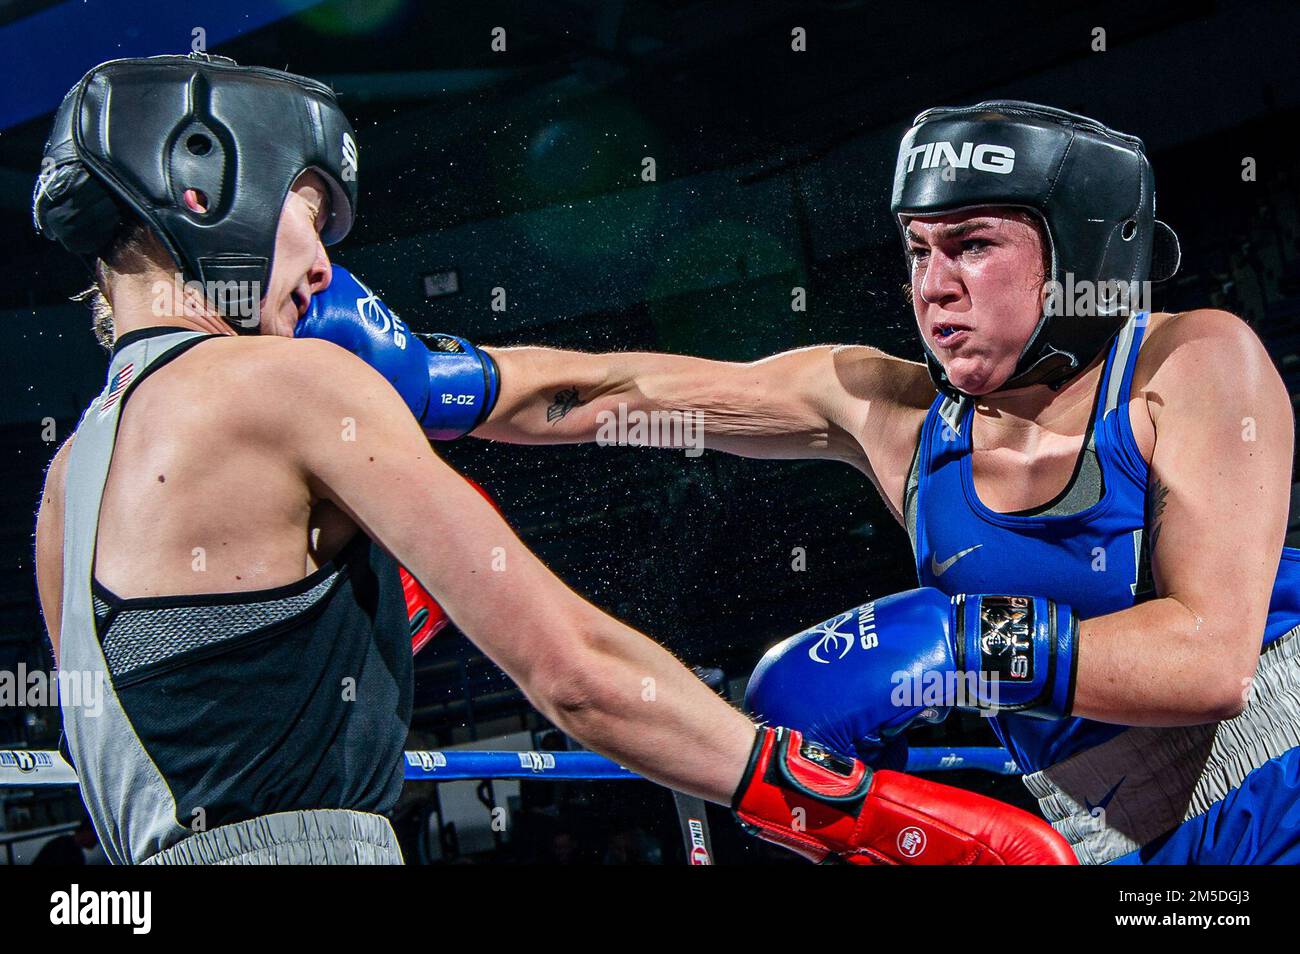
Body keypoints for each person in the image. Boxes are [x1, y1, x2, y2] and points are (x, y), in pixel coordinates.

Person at [31, 55, 1072, 865]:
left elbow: (213, 709)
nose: (321, 271)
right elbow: (576, 675)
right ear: (211, 186)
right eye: (308, 220)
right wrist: (854, 809)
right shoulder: (291, 386)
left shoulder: (69, 481)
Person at [313, 102, 1300, 864]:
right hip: (1104, 836)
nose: (932, 285)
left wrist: (955, 642)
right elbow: (624, 390)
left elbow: (1209, 657)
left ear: (1080, 250)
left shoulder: (1193, 361)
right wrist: (443, 379)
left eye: (972, 245)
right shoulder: (894, 414)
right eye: (918, 249)